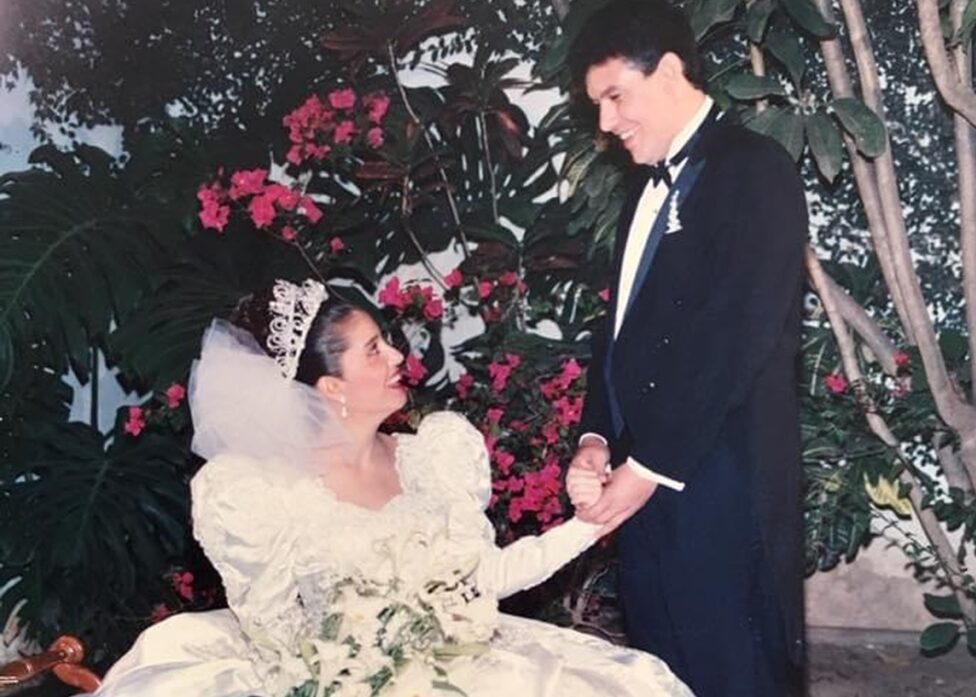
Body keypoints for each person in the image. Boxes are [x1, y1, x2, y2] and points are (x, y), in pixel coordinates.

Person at [88, 278, 692, 697]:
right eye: (373, 350)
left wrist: (591, 522)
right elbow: (275, 636)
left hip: (465, 665)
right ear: (332, 388)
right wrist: (355, 671)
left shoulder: (433, 456)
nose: (397, 356)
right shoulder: (259, 493)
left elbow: (490, 578)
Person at [563, 1, 807, 695]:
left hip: (724, 498)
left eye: (615, 96)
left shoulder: (755, 171)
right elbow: (617, 338)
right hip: (648, 500)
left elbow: (733, 338)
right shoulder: (643, 188)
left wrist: (645, 467)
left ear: (669, 71)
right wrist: (594, 438)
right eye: (597, 104)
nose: (606, 123)